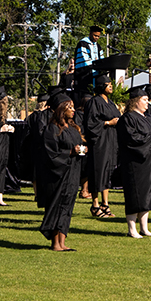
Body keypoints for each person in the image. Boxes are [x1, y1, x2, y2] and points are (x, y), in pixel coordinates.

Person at [36, 97, 84, 251]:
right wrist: (70, 152)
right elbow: (50, 153)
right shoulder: (52, 129)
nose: (73, 110)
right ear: (62, 109)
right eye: (70, 107)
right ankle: (55, 243)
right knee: (57, 206)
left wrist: (82, 149)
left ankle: (62, 241)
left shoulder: (72, 128)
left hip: (72, 173)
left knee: (67, 206)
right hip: (57, 175)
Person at [118, 85, 151, 238]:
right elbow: (131, 139)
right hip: (135, 163)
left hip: (150, 161)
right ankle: (132, 229)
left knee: (147, 193)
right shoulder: (128, 118)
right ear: (135, 101)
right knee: (136, 193)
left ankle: (144, 227)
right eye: (144, 99)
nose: (147, 102)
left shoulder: (148, 118)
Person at [83, 74, 119, 218]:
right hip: (99, 142)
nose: (111, 86)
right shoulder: (94, 102)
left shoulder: (110, 102)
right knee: (98, 171)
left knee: (107, 172)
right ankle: (95, 205)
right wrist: (108, 123)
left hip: (111, 140)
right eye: (108, 84)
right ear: (101, 86)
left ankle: (105, 204)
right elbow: (90, 123)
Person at [74, 26, 105, 90]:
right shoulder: (83, 43)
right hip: (84, 74)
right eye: (95, 35)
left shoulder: (98, 46)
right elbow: (84, 59)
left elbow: (102, 58)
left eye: (98, 36)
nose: (96, 38)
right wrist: (94, 65)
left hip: (95, 73)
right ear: (90, 33)